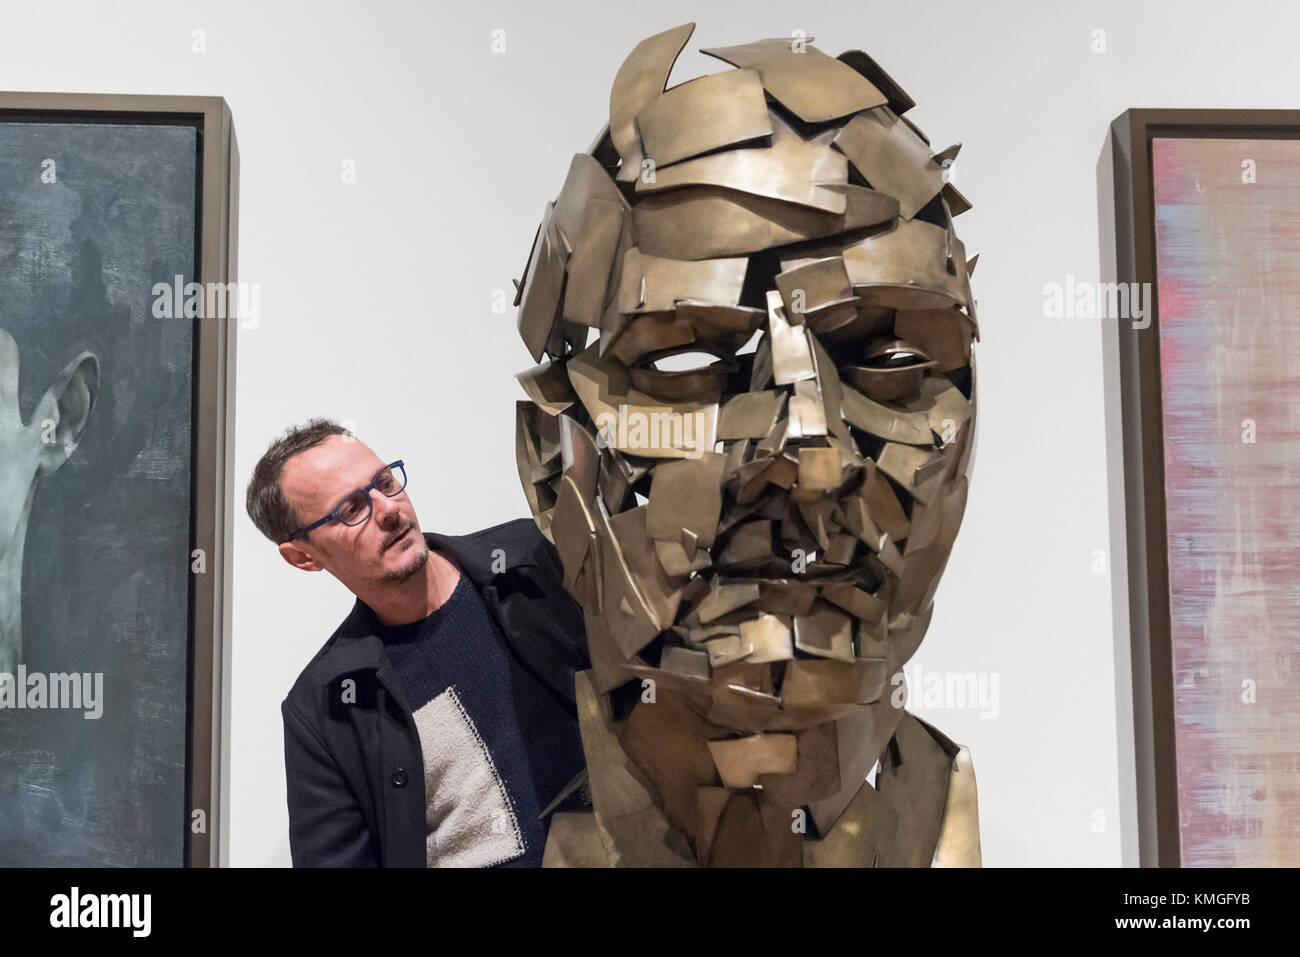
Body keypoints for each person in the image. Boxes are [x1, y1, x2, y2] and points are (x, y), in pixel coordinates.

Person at [245, 418, 590, 866]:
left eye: (385, 482)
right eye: (351, 509)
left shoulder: (531, 558)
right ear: (303, 556)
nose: (388, 509)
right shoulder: (325, 708)